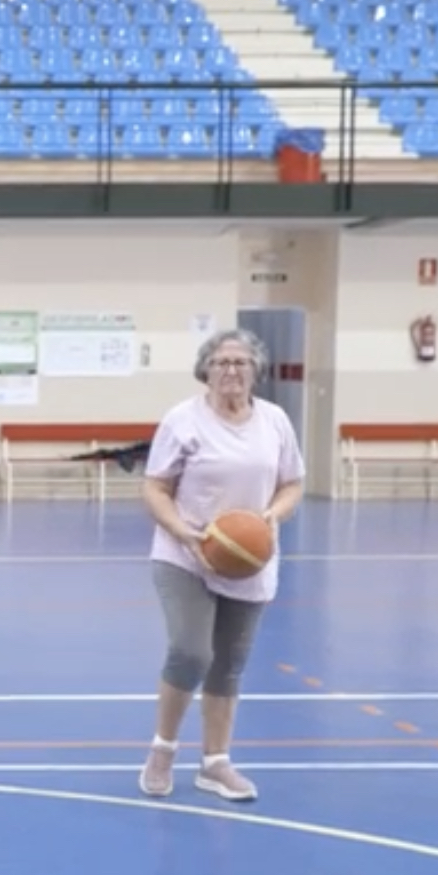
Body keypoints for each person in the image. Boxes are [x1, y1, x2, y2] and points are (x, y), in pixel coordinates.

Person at [138, 329, 305, 803]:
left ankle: (216, 763)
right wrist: (182, 531)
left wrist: (272, 516)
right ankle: (162, 750)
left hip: (249, 559)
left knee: (229, 665)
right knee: (192, 653)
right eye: (222, 362)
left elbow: (291, 484)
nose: (231, 370)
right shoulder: (182, 420)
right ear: (205, 369)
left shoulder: (274, 421)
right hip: (185, 552)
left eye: (241, 363)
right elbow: (154, 487)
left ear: (256, 371)